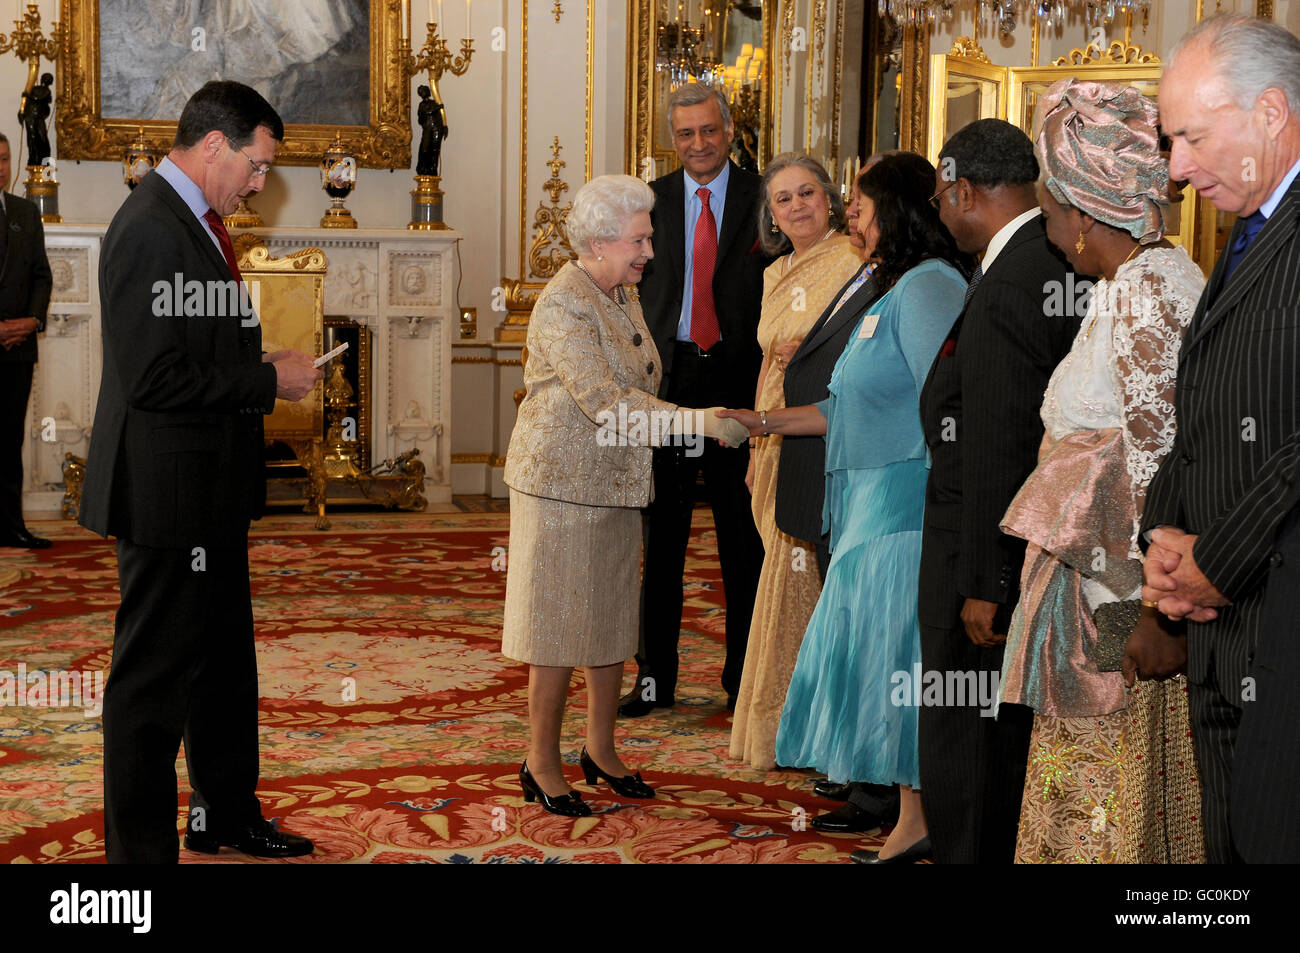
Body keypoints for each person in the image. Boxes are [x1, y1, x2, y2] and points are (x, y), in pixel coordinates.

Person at [78, 81, 323, 863]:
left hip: (205, 488)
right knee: (150, 686)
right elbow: (152, 378)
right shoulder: (152, 226)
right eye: (256, 166)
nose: (260, 183)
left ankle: (226, 813)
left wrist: (258, 360)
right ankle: (137, 861)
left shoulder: (195, 220)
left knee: (222, 665)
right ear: (213, 144)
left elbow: (192, 349)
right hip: (164, 495)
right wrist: (265, 384)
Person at [722, 152, 968, 863]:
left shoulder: (927, 288)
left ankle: (913, 822)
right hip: (865, 500)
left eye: (858, 203)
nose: (848, 212)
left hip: (902, 504)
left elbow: (942, 407)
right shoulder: (897, 287)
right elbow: (842, 403)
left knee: (898, 665)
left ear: (896, 211)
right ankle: (909, 819)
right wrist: (762, 421)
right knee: (877, 662)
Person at [996, 78, 1206, 863]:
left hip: (1120, 594)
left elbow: (1157, 467)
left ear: (1084, 217)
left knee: (1102, 783)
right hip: (1101, 583)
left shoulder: (1148, 290)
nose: (1047, 225)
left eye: (1050, 210)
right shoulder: (1130, 282)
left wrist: (1151, 618)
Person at [502, 174, 748, 816]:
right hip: (560, 487)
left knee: (611, 616)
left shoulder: (618, 291)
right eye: (640, 239)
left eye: (648, 237)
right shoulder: (565, 303)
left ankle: (600, 748)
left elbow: (637, 383)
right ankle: (541, 762)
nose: (649, 252)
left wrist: (695, 415)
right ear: (600, 240)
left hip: (613, 479)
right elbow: (607, 404)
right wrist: (698, 420)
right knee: (557, 627)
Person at [1139, 14, 1300, 864]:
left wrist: (1216, 560)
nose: (1177, 168)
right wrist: (1160, 540)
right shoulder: (1248, 226)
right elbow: (1202, 413)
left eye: (1192, 137)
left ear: (1270, 112)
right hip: (1221, 631)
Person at [918, 118, 1082, 864]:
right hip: (1007, 542)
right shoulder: (1038, 261)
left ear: (962, 187)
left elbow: (999, 439)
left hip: (981, 553)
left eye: (941, 193)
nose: (938, 209)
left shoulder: (1015, 278)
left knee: (967, 743)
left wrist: (985, 578)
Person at [623, 82, 768, 718]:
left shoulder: (768, 196)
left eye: (709, 131)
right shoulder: (647, 202)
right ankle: (654, 680)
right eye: (685, 134)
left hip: (743, 384)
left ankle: (744, 681)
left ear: (729, 130)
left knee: (744, 539)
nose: (699, 144)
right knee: (663, 541)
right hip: (670, 384)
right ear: (671, 139)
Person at [773, 154, 901, 832]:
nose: (850, 212)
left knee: (873, 638)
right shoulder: (864, 269)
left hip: (870, 478)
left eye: (860, 203)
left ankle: (879, 787)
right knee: (848, 630)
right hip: (829, 467)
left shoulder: (912, 282)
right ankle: (858, 768)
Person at [726, 153, 858, 770]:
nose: (798, 205)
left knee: (805, 571)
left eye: (808, 193)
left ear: (829, 198)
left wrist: (821, 344)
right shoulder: (774, 271)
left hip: (826, 428)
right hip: (777, 429)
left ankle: (805, 724)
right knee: (780, 564)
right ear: (771, 214)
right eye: (784, 199)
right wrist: (758, 445)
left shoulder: (857, 259)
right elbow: (764, 362)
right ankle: (788, 721)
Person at [0, 132, 52, 549]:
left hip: (18, 348)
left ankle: (11, 525)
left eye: (4, 159)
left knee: (9, 439)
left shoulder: (24, 212)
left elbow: (40, 274)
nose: (0, 168)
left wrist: (32, 320)